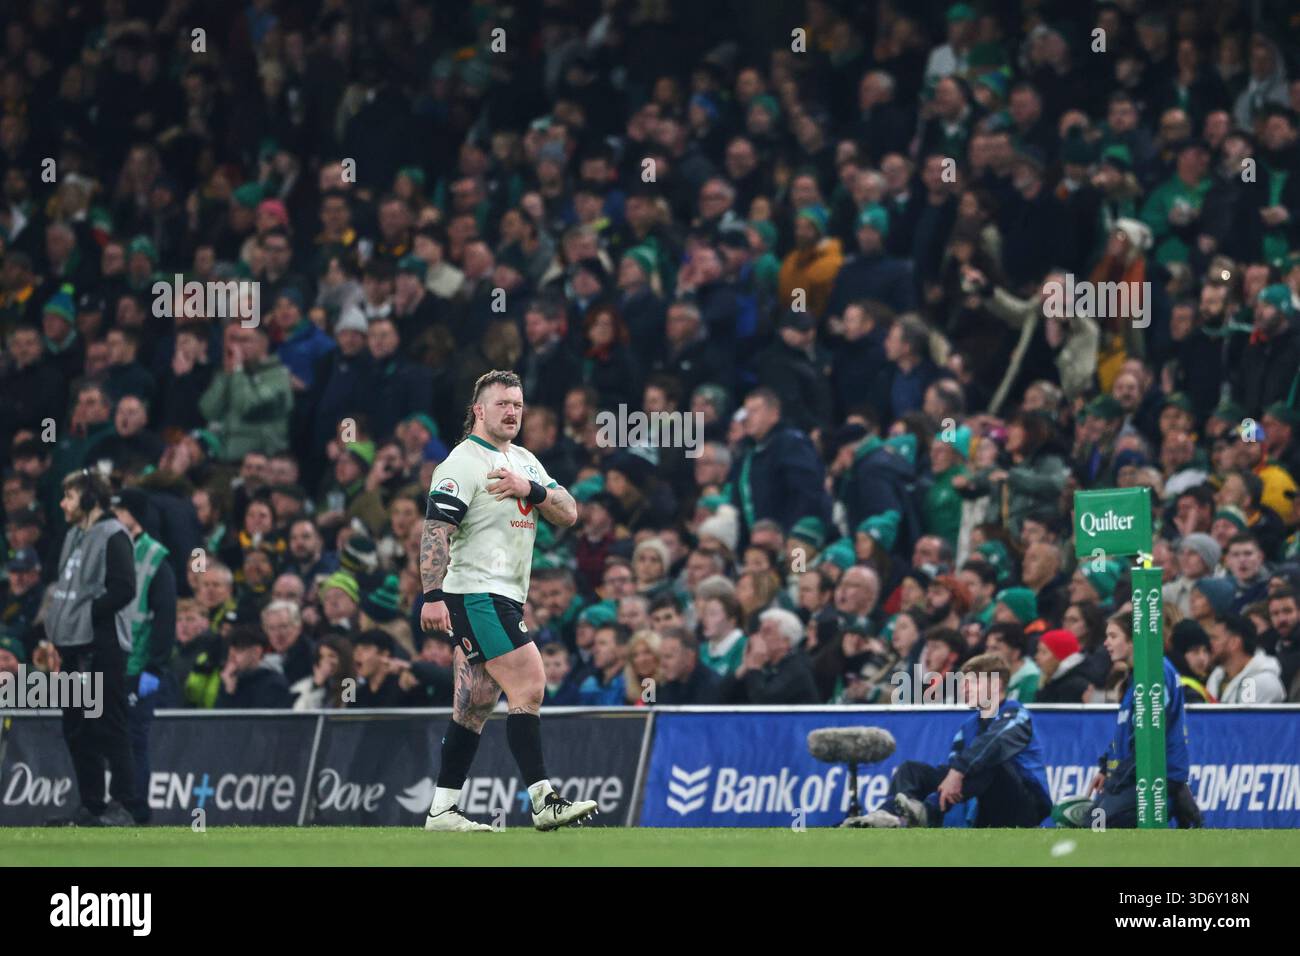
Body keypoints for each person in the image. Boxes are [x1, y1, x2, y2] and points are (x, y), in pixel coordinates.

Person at [418, 369, 595, 831]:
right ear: (479, 410)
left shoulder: (525, 460)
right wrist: (432, 596)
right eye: (502, 404)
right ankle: (543, 801)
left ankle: (442, 809)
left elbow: (569, 512)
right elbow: (437, 531)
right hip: (475, 592)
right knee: (530, 682)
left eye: (517, 404)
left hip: (506, 596)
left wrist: (529, 489)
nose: (512, 411)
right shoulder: (462, 463)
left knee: (475, 701)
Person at [41, 469, 137, 826]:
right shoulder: (73, 536)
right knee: (76, 726)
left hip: (104, 646)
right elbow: (66, 590)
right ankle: (92, 803)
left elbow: (125, 588)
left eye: (69, 496)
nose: (62, 503)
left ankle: (124, 804)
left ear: (90, 498)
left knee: (108, 724)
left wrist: (84, 615)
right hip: (72, 648)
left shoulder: (114, 535)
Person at [862, 653, 1052, 828]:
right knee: (911, 771)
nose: (964, 688)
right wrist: (955, 774)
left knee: (988, 761)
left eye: (973, 682)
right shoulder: (969, 726)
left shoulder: (1016, 714)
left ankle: (928, 811)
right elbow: (954, 772)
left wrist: (957, 772)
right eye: (963, 683)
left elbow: (992, 745)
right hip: (986, 807)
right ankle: (887, 816)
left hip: (1026, 807)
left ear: (997, 684)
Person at [1083, 612, 1201, 828]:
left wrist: (1116, 783)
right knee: (1088, 822)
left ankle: (1173, 800)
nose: (1106, 643)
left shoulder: (1154, 673)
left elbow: (1148, 739)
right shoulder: (1138, 675)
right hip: (1134, 776)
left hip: (1152, 778)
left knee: (1095, 824)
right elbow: (1127, 732)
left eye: (1113, 636)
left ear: (1132, 640)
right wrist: (1105, 767)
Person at [110, 487, 177, 824]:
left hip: (139, 667)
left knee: (134, 737)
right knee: (114, 736)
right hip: (114, 664)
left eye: (118, 511)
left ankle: (135, 808)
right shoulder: (117, 550)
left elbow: (166, 618)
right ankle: (117, 802)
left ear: (133, 516)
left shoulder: (154, 558)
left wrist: (155, 666)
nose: (113, 517)